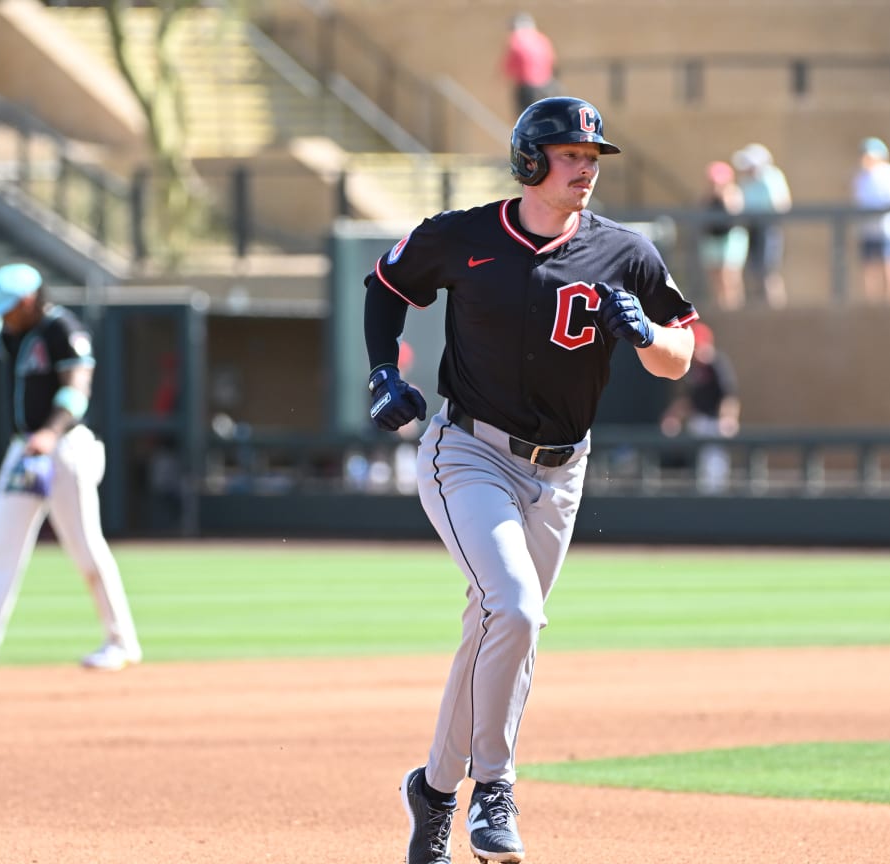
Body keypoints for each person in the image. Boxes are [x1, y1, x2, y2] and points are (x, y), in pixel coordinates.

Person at [364, 96, 697, 864]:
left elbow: (681, 352)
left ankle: (434, 792)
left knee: (497, 629)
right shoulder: (465, 235)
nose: (586, 168)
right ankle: (495, 787)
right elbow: (385, 285)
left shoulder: (625, 252)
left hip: (562, 471)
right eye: (571, 155)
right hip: (468, 452)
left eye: (593, 157)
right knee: (514, 609)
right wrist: (382, 372)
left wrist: (647, 333)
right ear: (528, 161)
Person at [0, 263, 143, 671]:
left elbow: (77, 391)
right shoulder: (16, 331)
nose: (4, 317)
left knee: (86, 548)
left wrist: (49, 432)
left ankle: (122, 642)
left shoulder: (63, 329)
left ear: (29, 300)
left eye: (8, 307)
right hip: (25, 449)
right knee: (3, 548)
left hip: (64, 447)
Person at [660, 321, 740, 494]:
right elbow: (687, 399)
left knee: (715, 466)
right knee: (695, 466)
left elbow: (729, 396)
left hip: (714, 423)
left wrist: (728, 418)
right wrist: (673, 417)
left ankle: (715, 496)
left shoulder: (716, 364)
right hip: (698, 421)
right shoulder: (691, 367)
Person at [852, 136, 890, 304]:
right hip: (867, 229)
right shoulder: (861, 177)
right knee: (869, 267)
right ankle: (872, 305)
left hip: (888, 229)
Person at [732, 143, 791, 308]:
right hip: (750, 228)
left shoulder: (771, 177)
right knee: (753, 271)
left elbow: (781, 204)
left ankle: (775, 308)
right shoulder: (745, 181)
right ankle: (758, 306)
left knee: (768, 271)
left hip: (768, 228)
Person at [699, 159, 749, 311]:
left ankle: (734, 308)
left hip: (730, 238)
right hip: (712, 238)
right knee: (715, 275)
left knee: (730, 276)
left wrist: (723, 194)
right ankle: (720, 306)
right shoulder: (708, 195)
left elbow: (734, 212)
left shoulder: (734, 193)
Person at [500, 13, 557, 116]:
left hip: (527, 87)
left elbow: (509, 66)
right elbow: (552, 59)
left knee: (526, 118)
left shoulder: (515, 39)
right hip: (548, 85)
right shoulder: (541, 38)